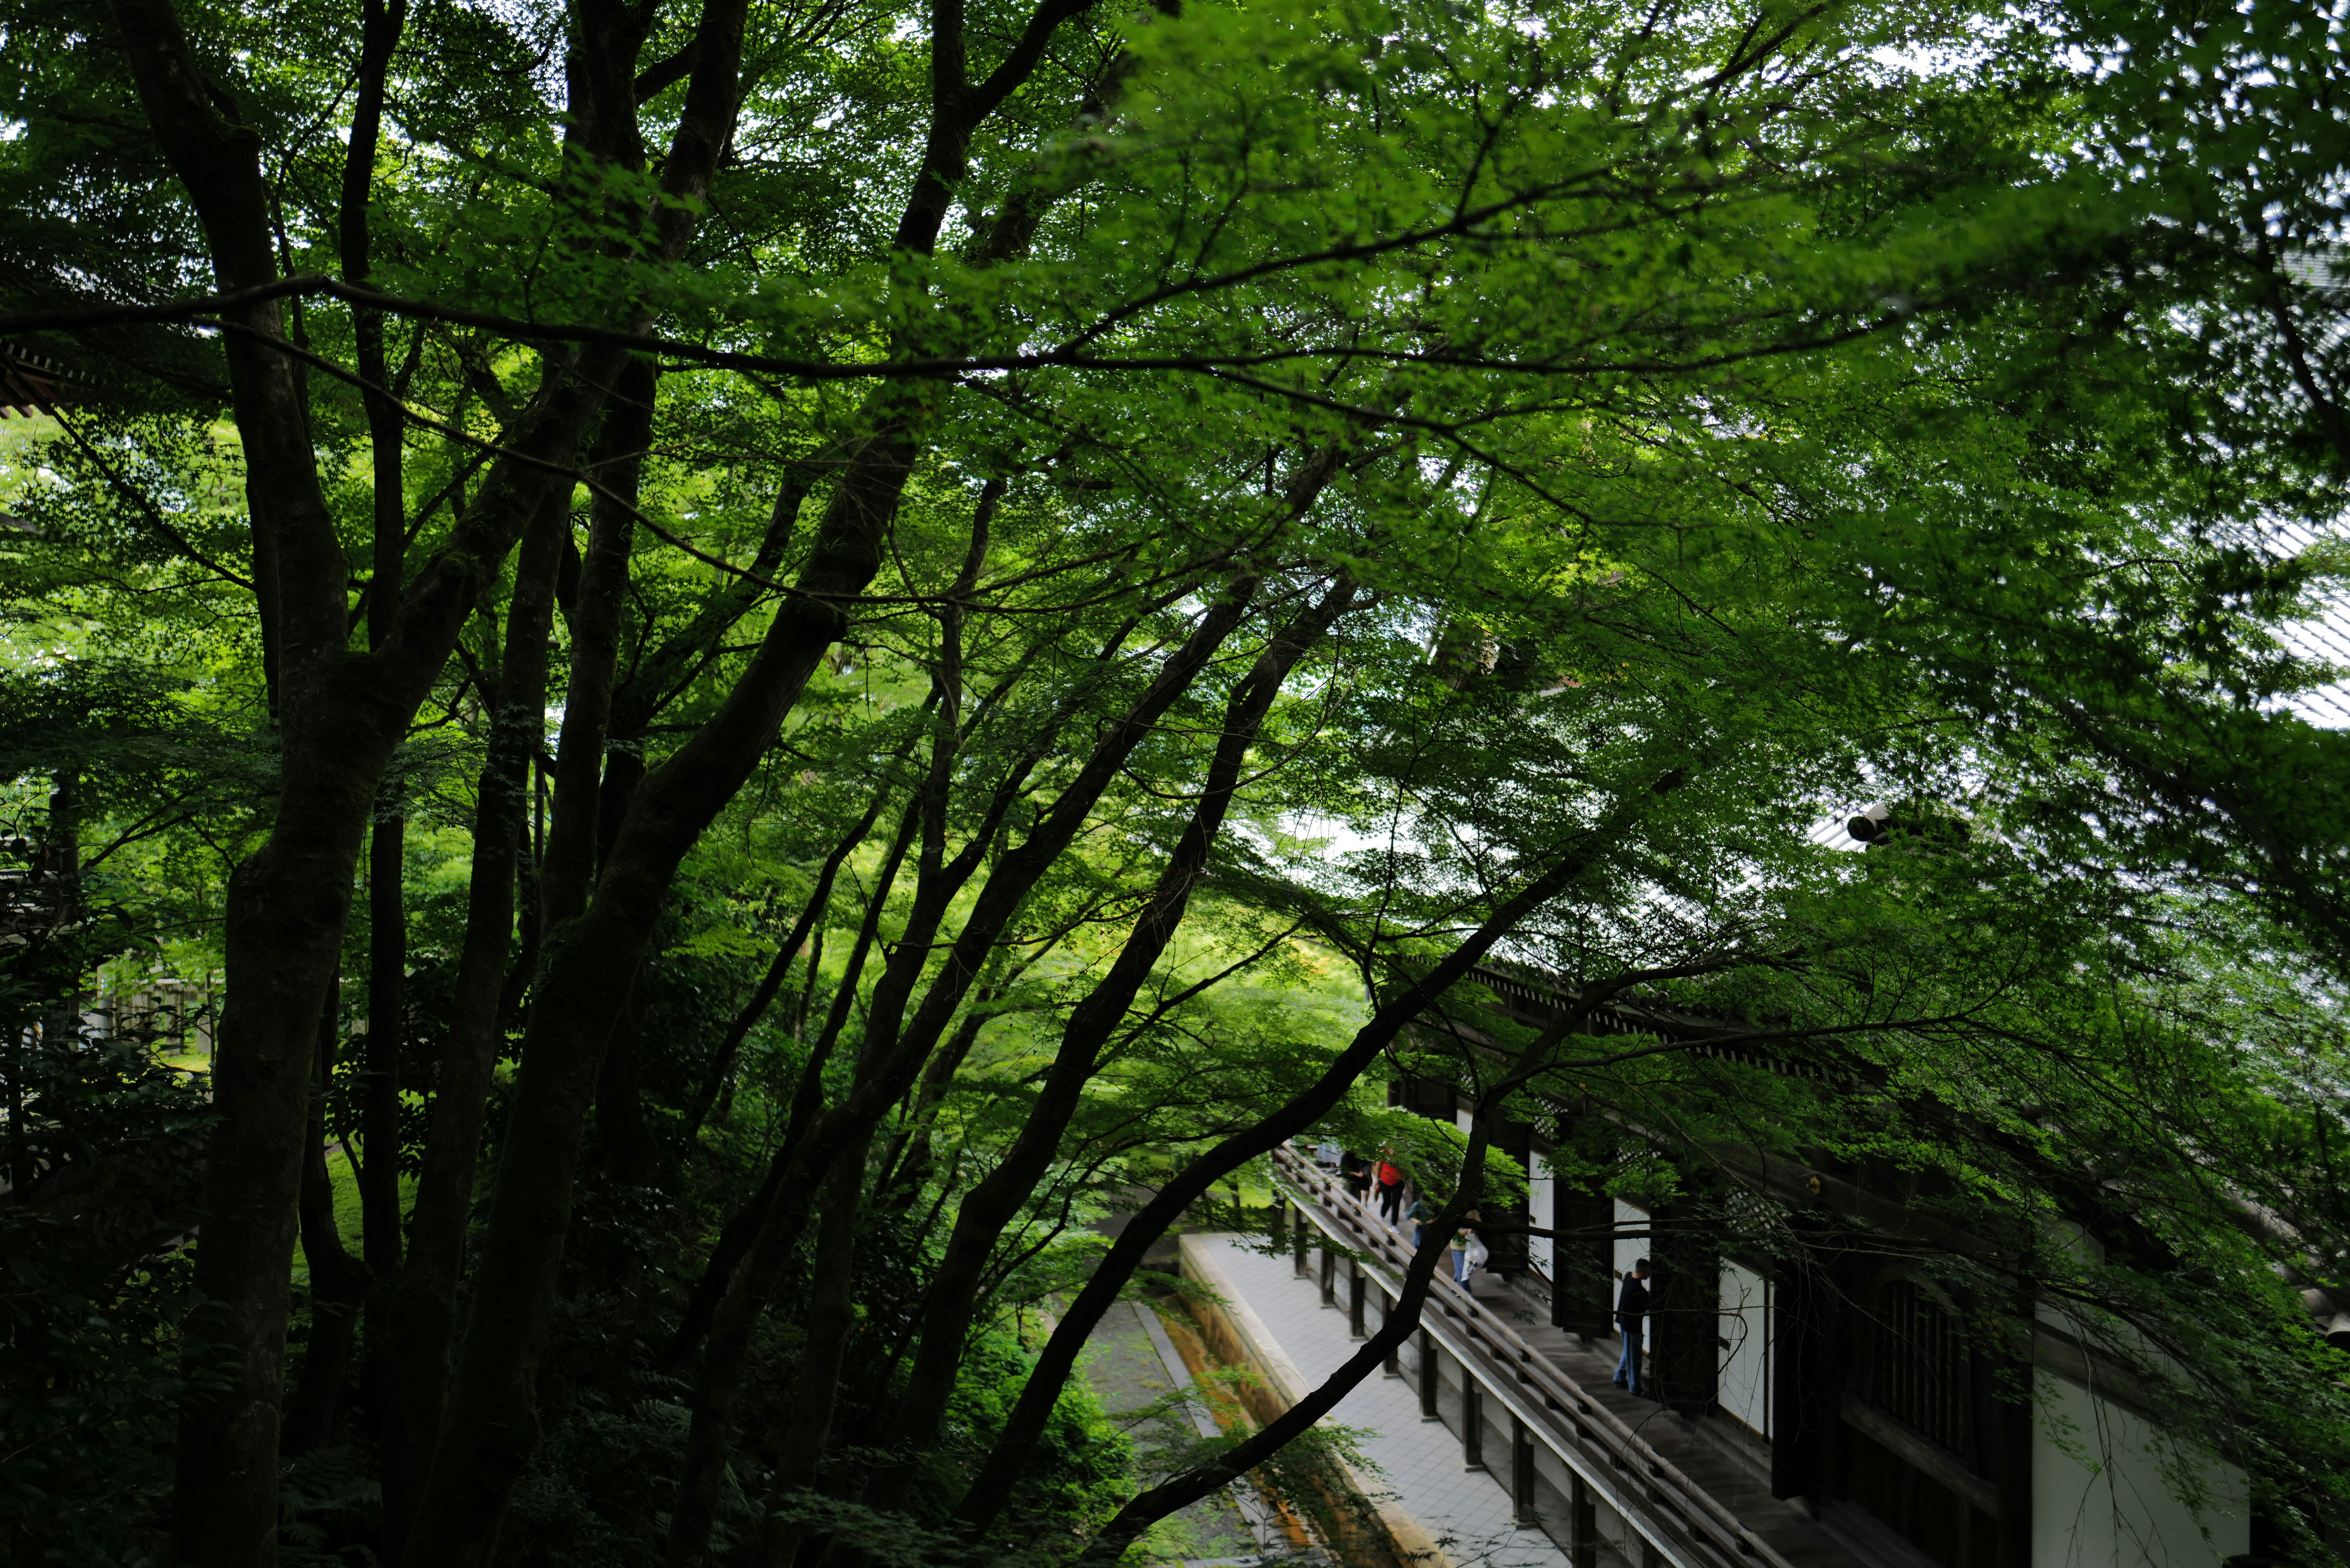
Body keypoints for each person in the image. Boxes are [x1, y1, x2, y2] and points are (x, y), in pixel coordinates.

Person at [1613, 1258, 1652, 1396]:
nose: (1650, 1275)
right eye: (1648, 1272)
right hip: (1632, 1327)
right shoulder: (1638, 1291)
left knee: (1627, 1353)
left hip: (1623, 1323)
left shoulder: (1628, 1277)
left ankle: (1619, 1377)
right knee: (1635, 1358)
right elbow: (1648, 1306)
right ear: (1641, 1272)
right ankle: (1635, 1388)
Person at [1452, 1209, 1485, 1286]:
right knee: (1462, 1269)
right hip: (1458, 1244)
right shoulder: (1452, 1208)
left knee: (1471, 1265)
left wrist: (1471, 1229)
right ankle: (1466, 1293)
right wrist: (1459, 1233)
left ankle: (1454, 1285)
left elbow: (1478, 1223)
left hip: (1470, 1243)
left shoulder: (1472, 1210)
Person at [1375, 1152, 1405, 1223]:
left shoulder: (1403, 1155)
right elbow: (1378, 1165)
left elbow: (1406, 1169)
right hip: (1385, 1182)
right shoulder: (1384, 1153)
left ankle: (1394, 1225)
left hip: (1399, 1182)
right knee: (1387, 1202)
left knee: (1396, 1203)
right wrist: (1377, 1179)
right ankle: (1382, 1216)